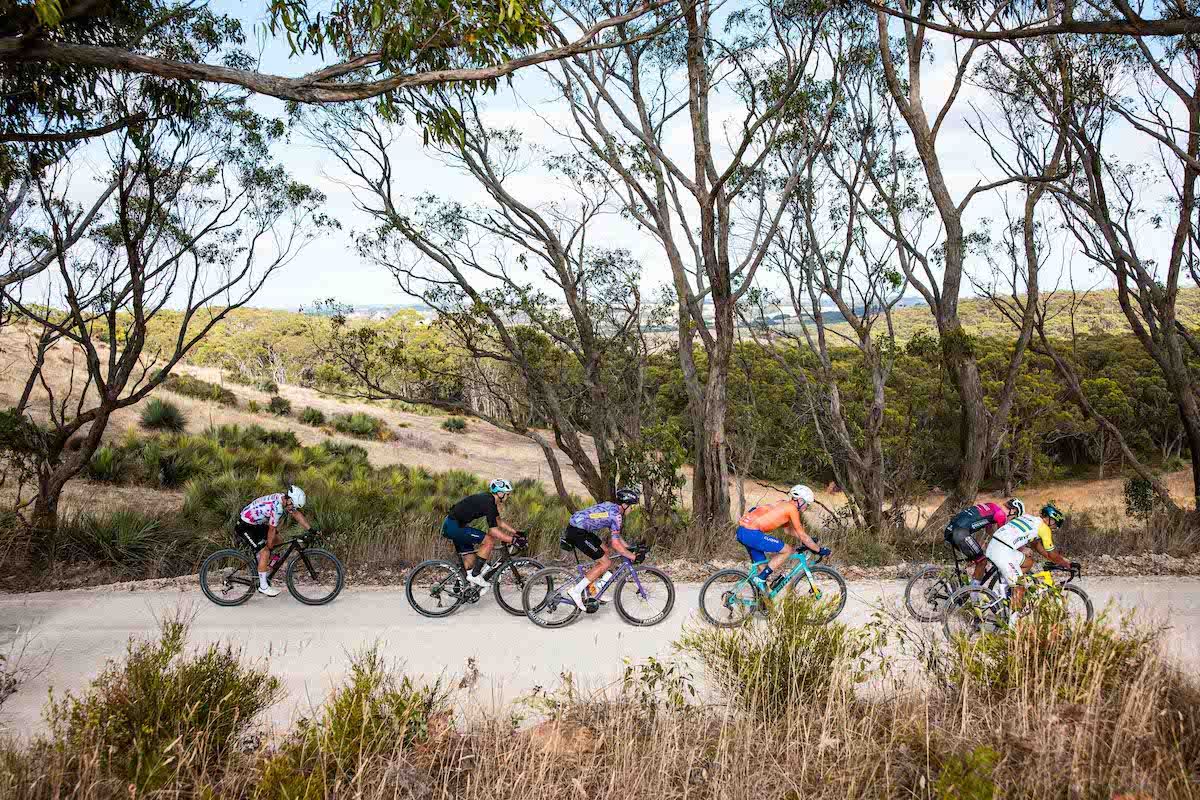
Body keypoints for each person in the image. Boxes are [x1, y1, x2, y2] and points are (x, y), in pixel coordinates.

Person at [984, 502, 1078, 617]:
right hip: (1003, 551)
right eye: (1056, 524)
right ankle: (1012, 626)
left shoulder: (1029, 518)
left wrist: (1052, 558)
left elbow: (1036, 546)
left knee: (1028, 562)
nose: (1055, 528)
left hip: (996, 545)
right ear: (1050, 520)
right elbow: (1052, 554)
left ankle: (1006, 585)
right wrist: (1065, 563)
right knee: (1020, 587)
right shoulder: (1044, 529)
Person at [735, 485, 829, 592]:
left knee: (762, 568)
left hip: (743, 531)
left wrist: (809, 541)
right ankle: (761, 578)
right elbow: (802, 535)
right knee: (788, 550)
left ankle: (762, 604)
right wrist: (819, 550)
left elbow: (788, 530)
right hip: (751, 533)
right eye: (806, 504)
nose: (806, 507)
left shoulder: (783, 503)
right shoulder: (792, 509)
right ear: (800, 500)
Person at [562, 487, 642, 611]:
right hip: (578, 532)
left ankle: (593, 589)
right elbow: (616, 544)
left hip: (579, 528)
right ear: (625, 505)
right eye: (632, 506)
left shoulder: (611, 506)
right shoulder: (616, 517)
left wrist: (629, 548)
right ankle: (576, 591)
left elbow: (616, 537)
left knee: (605, 551)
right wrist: (633, 557)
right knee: (606, 562)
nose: (632, 509)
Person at [443, 479, 525, 588]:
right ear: (500, 493)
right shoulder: (489, 502)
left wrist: (516, 533)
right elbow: (493, 531)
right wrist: (513, 540)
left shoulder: (489, 500)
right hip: (454, 527)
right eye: (507, 493)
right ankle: (475, 575)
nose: (508, 496)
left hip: (454, 525)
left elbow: (498, 521)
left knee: (471, 560)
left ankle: (461, 588)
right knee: (489, 540)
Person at [237, 485, 316, 597]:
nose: (292, 508)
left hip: (255, 523)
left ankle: (266, 566)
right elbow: (272, 528)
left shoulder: (283, 498)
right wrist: (268, 547)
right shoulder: (277, 507)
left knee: (279, 540)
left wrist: (310, 529)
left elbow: (296, 514)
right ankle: (263, 586)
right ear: (289, 500)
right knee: (265, 551)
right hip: (245, 526)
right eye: (292, 505)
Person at [943, 499, 1017, 583]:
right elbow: (1001, 537)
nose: (1011, 521)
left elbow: (989, 531)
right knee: (982, 561)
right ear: (1013, 510)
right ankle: (973, 593)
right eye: (1014, 518)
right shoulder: (1001, 515)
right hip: (960, 533)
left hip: (950, 531)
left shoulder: (992, 506)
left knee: (974, 557)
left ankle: (962, 588)